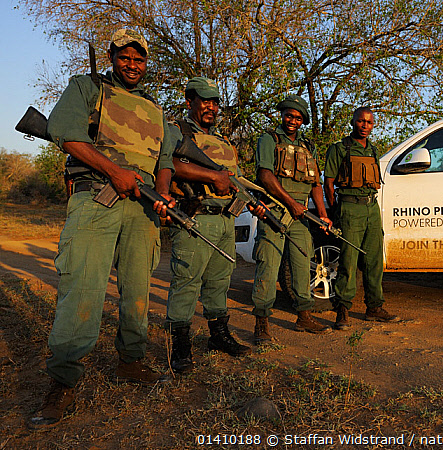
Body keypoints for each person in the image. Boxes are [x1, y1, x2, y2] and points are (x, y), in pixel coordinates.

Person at [28, 29, 176, 428]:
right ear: (112, 57)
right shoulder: (87, 87)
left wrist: (161, 193)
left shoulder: (155, 109)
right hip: (97, 197)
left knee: (138, 290)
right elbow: (66, 135)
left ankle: (131, 361)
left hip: (141, 209)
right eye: (125, 57)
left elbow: (165, 161)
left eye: (139, 59)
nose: (132, 65)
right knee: (84, 289)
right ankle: (62, 382)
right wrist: (114, 171)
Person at [165, 77, 252, 373]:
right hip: (194, 218)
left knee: (219, 281)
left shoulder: (226, 143)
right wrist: (211, 177)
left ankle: (218, 335)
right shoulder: (177, 131)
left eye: (215, 102)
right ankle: (180, 344)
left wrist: (253, 203)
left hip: (225, 219)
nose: (211, 107)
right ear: (190, 101)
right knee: (186, 281)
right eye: (205, 101)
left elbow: (234, 179)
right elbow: (168, 165)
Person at [251, 95, 332, 344]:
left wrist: (322, 214)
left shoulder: (308, 145)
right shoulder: (270, 139)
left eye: (297, 118)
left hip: (301, 216)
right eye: (289, 115)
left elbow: (315, 183)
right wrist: (291, 203)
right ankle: (261, 322)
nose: (292, 121)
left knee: (302, 263)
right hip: (275, 212)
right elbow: (265, 176)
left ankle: (304, 316)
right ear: (282, 115)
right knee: (268, 265)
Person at [323, 107, 399, 330]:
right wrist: (335, 211)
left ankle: (374, 307)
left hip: (371, 208)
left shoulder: (373, 150)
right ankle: (343, 310)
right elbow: (328, 183)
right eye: (361, 121)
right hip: (349, 207)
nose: (365, 125)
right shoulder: (339, 149)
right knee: (348, 261)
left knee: (374, 260)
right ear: (353, 122)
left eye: (369, 122)